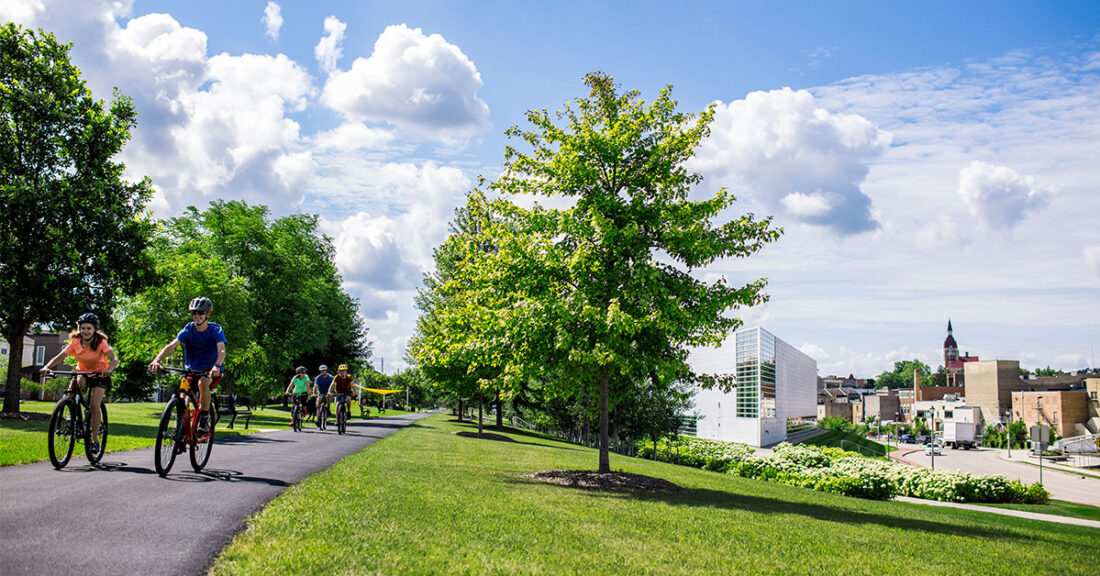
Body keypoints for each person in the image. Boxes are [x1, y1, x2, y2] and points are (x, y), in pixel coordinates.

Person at [40, 313, 119, 454]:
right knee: (71, 391)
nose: (86, 331)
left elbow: (114, 359)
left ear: (94, 329)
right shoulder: (75, 341)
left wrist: (109, 369)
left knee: (94, 406)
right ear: (79, 329)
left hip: (99, 374)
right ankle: (72, 411)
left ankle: (94, 440)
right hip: (82, 372)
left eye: (89, 328)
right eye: (83, 328)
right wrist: (47, 366)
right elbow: (61, 356)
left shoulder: (100, 342)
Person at [148, 297, 227, 434]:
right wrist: (157, 360)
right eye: (194, 313)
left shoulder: (215, 329)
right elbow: (171, 346)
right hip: (192, 369)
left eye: (200, 313)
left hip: (211, 370)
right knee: (181, 394)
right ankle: (181, 429)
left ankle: (204, 419)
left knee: (203, 383)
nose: (197, 316)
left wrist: (217, 365)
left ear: (208, 314)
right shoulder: (189, 329)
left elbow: (221, 350)